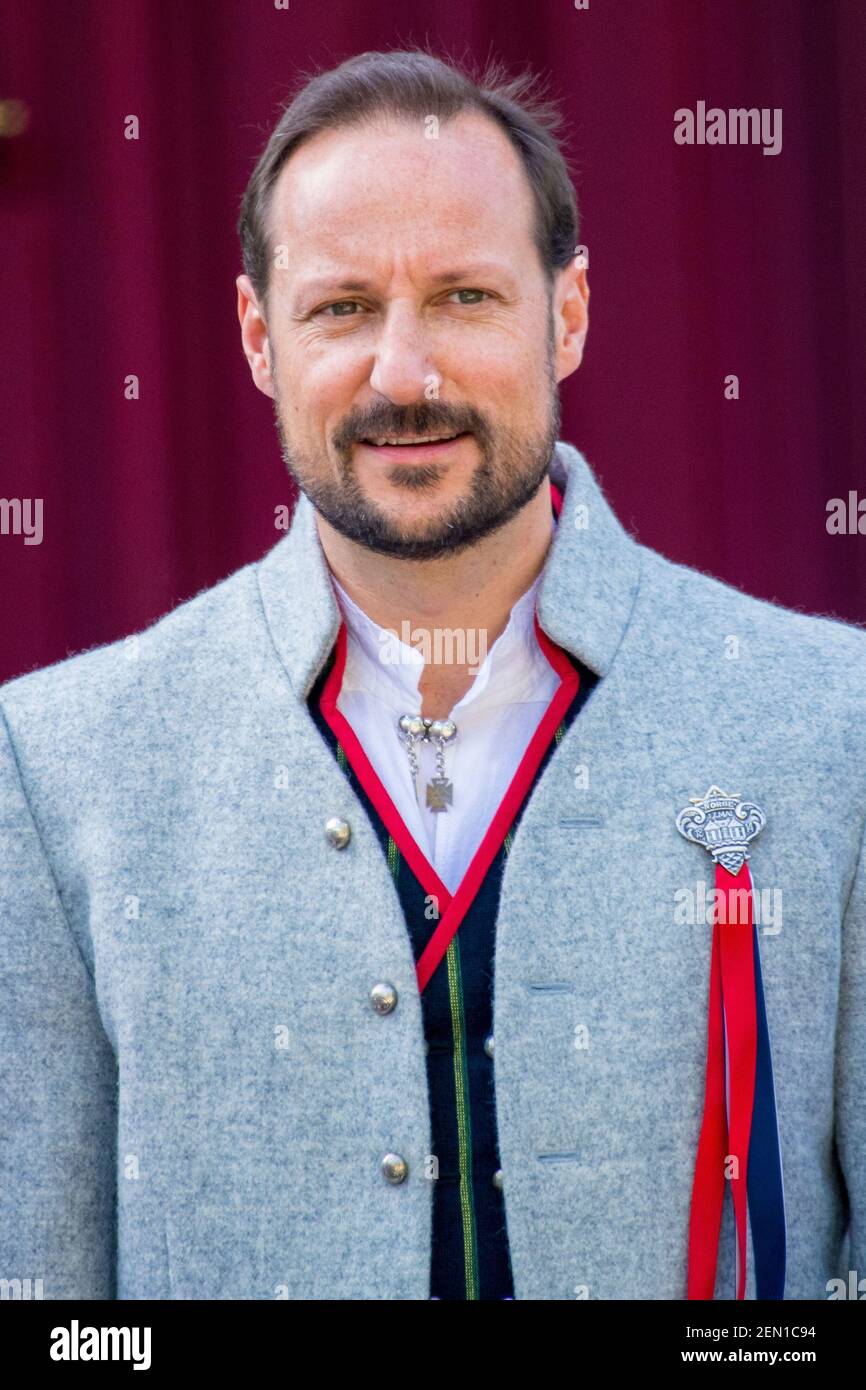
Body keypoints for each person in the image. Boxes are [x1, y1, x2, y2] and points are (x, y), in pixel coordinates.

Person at [1, 48, 864, 1302]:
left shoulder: (831, 722)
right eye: (342, 309)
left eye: (463, 297)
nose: (404, 376)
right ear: (258, 338)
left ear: (566, 314)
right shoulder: (56, 765)